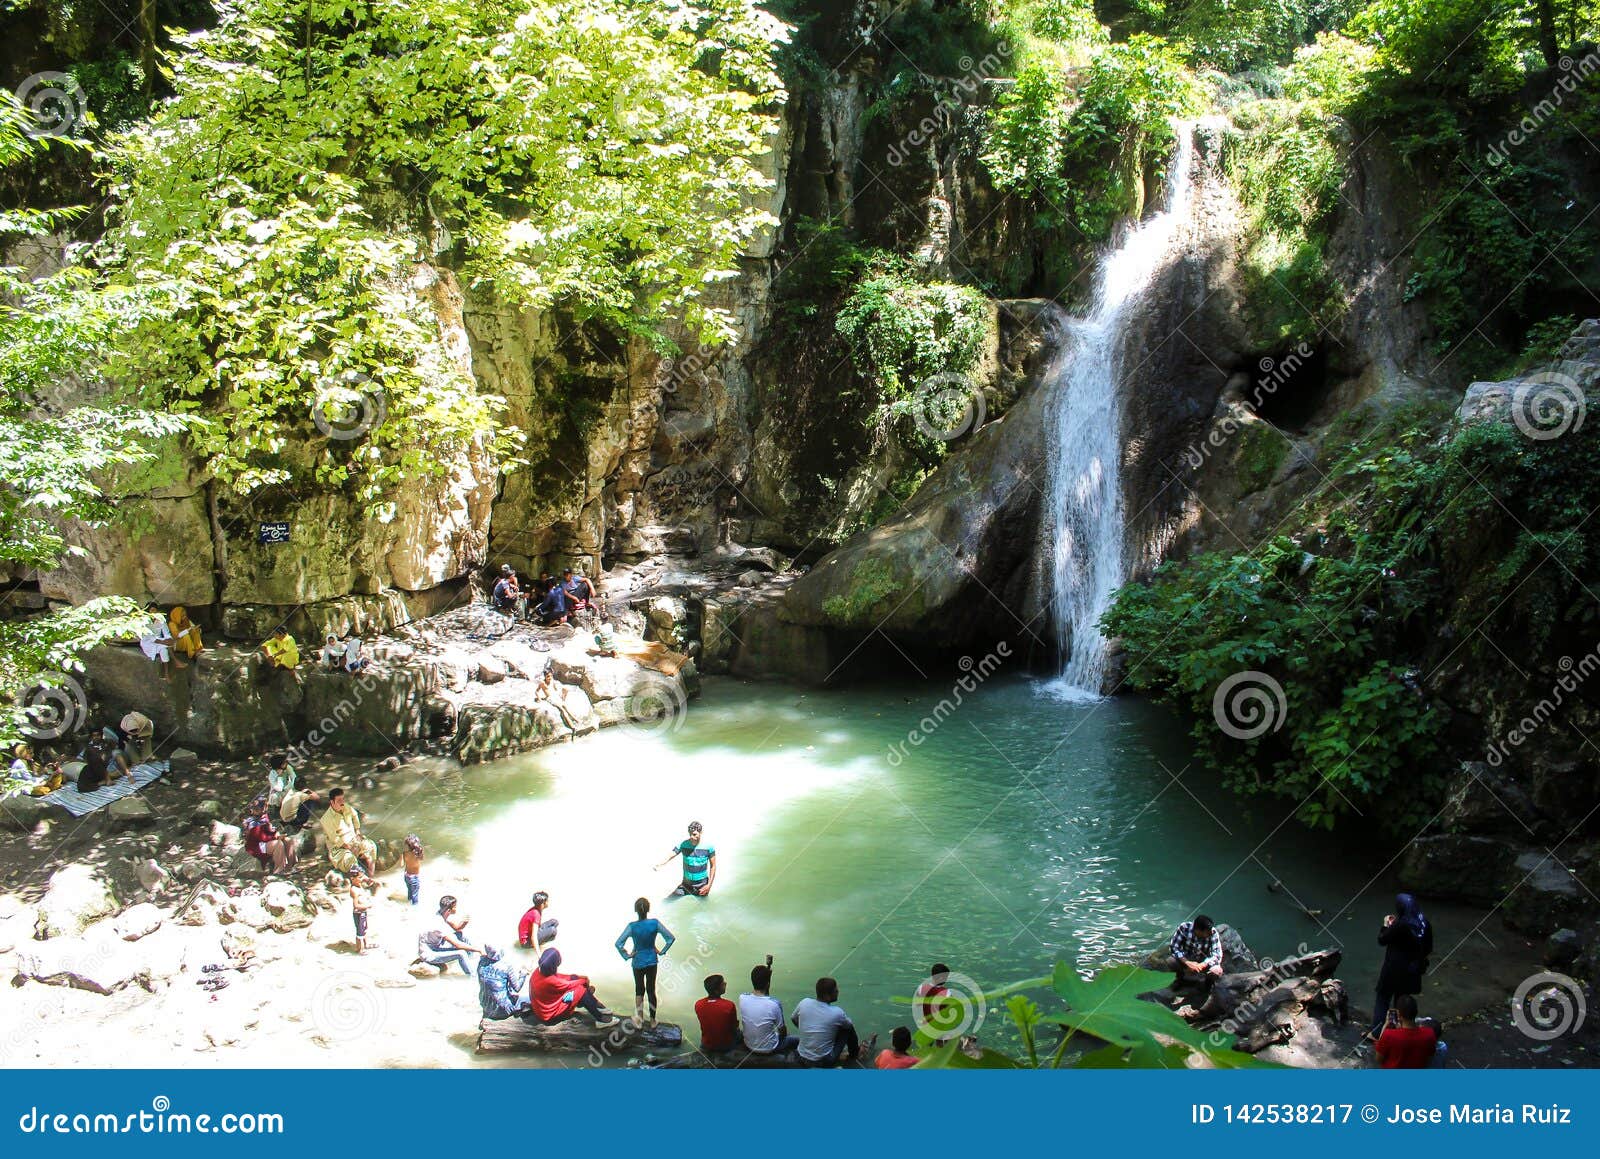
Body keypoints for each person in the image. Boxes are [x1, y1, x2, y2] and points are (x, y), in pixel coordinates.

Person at [1369, 892, 1433, 1040]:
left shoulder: (1401, 925)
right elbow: (1428, 948)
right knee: (1401, 1001)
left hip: (1394, 969)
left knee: (1383, 997)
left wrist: (1386, 925)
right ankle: (1400, 1031)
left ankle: (1377, 1033)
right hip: (1412, 971)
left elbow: (1382, 939)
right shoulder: (1424, 923)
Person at [615, 897, 675, 1027]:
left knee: (639, 990)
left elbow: (618, 943)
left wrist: (628, 955)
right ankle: (653, 1020)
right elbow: (670, 938)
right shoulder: (655, 923)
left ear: (636, 910)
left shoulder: (632, 926)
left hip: (638, 961)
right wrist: (662, 951)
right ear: (648, 909)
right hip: (652, 960)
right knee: (651, 990)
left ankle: (640, 1019)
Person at [530, 948, 616, 1027]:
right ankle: (601, 1019)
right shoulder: (551, 981)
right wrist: (584, 980)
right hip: (549, 1015)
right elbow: (567, 984)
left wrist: (578, 977)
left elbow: (561, 978)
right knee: (581, 991)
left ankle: (595, 1005)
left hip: (542, 1008)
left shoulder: (538, 971)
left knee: (575, 978)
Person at [792, 977, 860, 1067]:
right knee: (847, 1029)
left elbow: (793, 1018)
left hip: (801, 1056)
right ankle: (854, 1054)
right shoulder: (837, 1012)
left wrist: (807, 1031)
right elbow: (849, 1025)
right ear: (827, 996)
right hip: (823, 1061)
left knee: (834, 1026)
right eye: (835, 990)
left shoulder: (804, 1002)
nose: (838, 991)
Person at [740, 958, 799, 1057]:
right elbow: (782, 1032)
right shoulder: (774, 1004)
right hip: (769, 1048)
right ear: (768, 984)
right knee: (796, 1040)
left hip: (748, 1045)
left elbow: (759, 998)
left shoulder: (742, 997)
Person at [319, 786, 377, 878]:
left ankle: (371, 876)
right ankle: (361, 880)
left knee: (371, 846)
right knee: (351, 860)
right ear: (332, 802)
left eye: (343, 799)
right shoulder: (325, 819)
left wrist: (357, 830)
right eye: (339, 800)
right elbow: (335, 839)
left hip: (354, 841)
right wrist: (350, 847)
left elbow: (355, 815)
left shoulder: (346, 807)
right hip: (339, 849)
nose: (342, 802)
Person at [417, 896, 481, 974]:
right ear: (449, 910)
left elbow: (457, 929)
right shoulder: (438, 924)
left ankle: (471, 961)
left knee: (460, 935)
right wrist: (479, 949)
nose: (456, 908)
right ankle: (472, 976)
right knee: (461, 953)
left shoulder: (441, 913)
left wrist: (464, 923)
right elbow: (458, 945)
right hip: (429, 953)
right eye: (455, 907)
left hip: (438, 944)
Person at [1374, 994, 1438, 1068]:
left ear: (1399, 1014)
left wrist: (1385, 1025)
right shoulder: (1429, 1034)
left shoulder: (1388, 1035)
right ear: (1416, 1012)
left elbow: (1378, 1059)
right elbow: (1429, 1057)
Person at [655, 820, 716, 898]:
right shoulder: (683, 845)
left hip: (702, 886)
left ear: (701, 832)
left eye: (694, 834)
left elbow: (713, 866)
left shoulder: (709, 847)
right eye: (690, 834)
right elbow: (671, 855)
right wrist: (660, 864)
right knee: (667, 901)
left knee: (702, 909)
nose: (691, 837)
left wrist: (709, 886)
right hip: (685, 885)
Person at [477, 945, 534, 1021]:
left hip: (486, 1005)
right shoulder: (506, 966)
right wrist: (523, 974)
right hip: (503, 1009)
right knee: (531, 998)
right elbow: (517, 988)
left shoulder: (481, 963)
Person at [243, 796, 298, 874]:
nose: (257, 810)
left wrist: (276, 833)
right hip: (256, 846)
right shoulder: (252, 822)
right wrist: (276, 836)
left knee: (288, 840)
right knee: (278, 844)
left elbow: (268, 831)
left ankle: (290, 867)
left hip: (265, 841)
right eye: (256, 809)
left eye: (260, 808)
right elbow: (260, 837)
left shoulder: (264, 817)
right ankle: (278, 870)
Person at [1170, 914, 1224, 991]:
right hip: (1187, 957)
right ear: (1198, 930)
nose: (1210, 933)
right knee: (1171, 961)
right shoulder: (1184, 928)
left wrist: (1202, 965)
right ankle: (1180, 980)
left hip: (1204, 960)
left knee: (1217, 971)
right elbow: (1174, 947)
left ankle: (1207, 986)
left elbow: (1217, 954)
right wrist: (1187, 962)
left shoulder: (1213, 932)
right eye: (1207, 932)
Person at [695, 974, 740, 1052]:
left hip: (706, 1044)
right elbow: (734, 1027)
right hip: (725, 1046)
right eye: (723, 983)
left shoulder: (698, 1004)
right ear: (717, 990)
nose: (725, 983)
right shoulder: (729, 1005)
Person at [915, 963, 954, 1040]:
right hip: (939, 1027)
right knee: (941, 1044)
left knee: (925, 1044)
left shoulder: (921, 988)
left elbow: (917, 1005)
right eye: (946, 977)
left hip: (925, 1025)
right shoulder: (947, 993)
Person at [138, 611, 173, 680]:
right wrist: (164, 642)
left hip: (159, 641)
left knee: (164, 650)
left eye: (155, 610)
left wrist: (168, 639)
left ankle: (165, 672)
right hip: (148, 643)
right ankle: (176, 661)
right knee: (165, 647)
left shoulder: (161, 619)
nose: (153, 612)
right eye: (151, 610)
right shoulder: (144, 622)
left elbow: (166, 633)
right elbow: (151, 638)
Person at [350, 870, 374, 953]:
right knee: (359, 932)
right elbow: (356, 905)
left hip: (363, 912)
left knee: (364, 928)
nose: (361, 879)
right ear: (352, 878)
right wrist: (367, 906)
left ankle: (366, 944)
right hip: (359, 913)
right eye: (359, 878)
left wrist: (368, 880)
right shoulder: (354, 890)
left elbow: (366, 880)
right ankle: (359, 949)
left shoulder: (359, 885)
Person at [402, 835, 424, 907]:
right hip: (414, 878)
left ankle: (408, 905)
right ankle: (414, 911)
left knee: (410, 894)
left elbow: (402, 864)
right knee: (415, 898)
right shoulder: (417, 854)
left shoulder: (405, 853)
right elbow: (422, 858)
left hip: (406, 876)